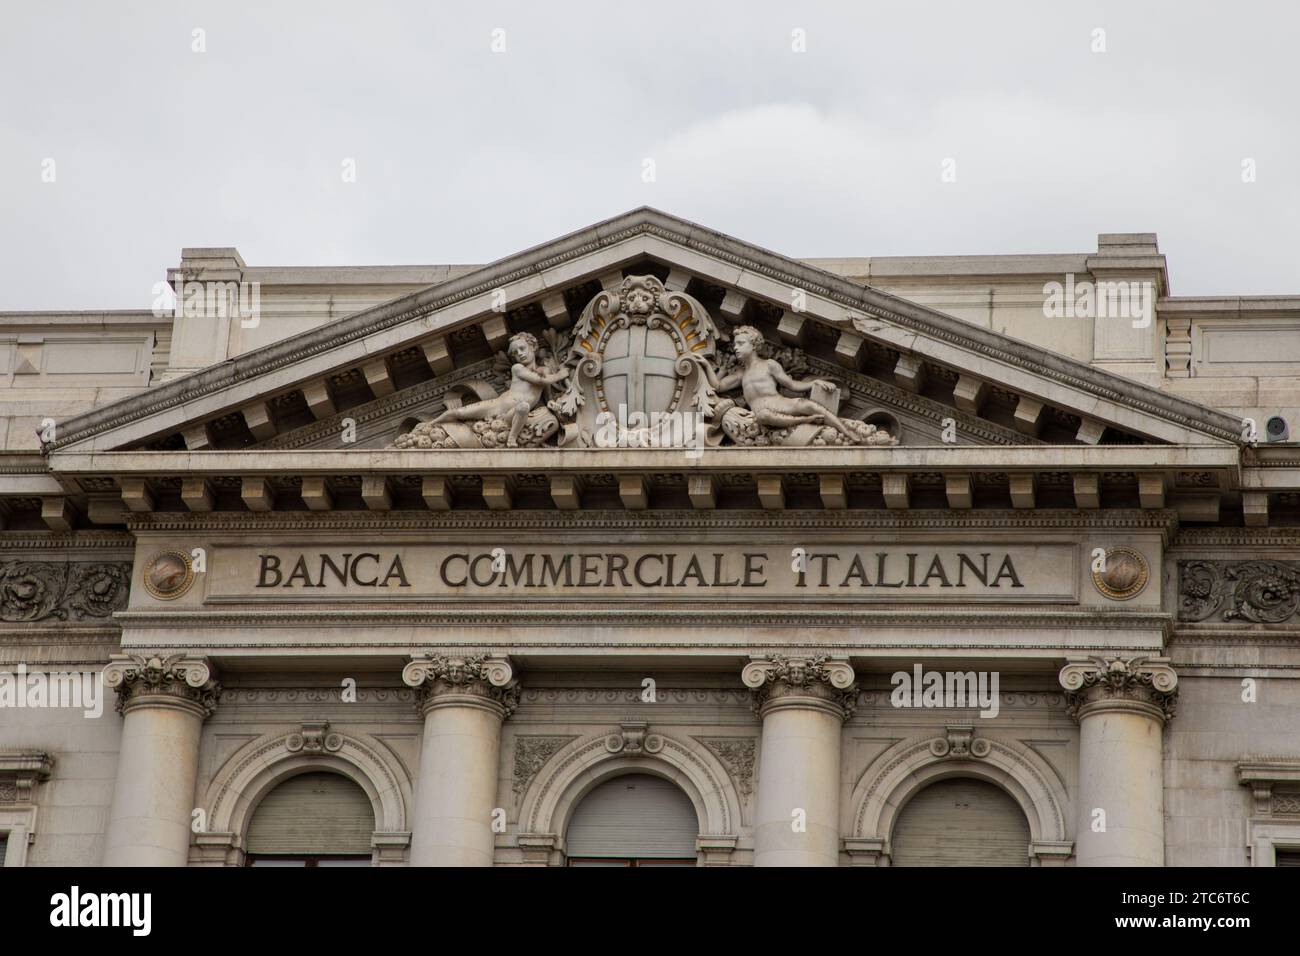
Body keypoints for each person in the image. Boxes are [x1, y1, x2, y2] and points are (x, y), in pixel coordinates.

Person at [711, 325, 861, 439]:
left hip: (780, 403)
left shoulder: (769, 364)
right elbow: (717, 387)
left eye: (740, 343)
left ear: (754, 344)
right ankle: (807, 420)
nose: (736, 348)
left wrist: (815, 382)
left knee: (809, 405)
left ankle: (846, 431)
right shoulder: (740, 374)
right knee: (763, 416)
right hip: (763, 413)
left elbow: (792, 384)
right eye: (735, 344)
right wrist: (718, 368)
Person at [431, 332, 569, 447]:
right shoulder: (518, 368)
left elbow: (547, 394)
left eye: (522, 348)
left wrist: (551, 402)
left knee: (523, 407)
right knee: (458, 413)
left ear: (533, 346)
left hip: (511, 415)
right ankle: (430, 425)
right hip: (496, 406)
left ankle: (511, 438)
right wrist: (561, 374)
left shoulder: (544, 370)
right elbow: (540, 380)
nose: (520, 354)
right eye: (515, 353)